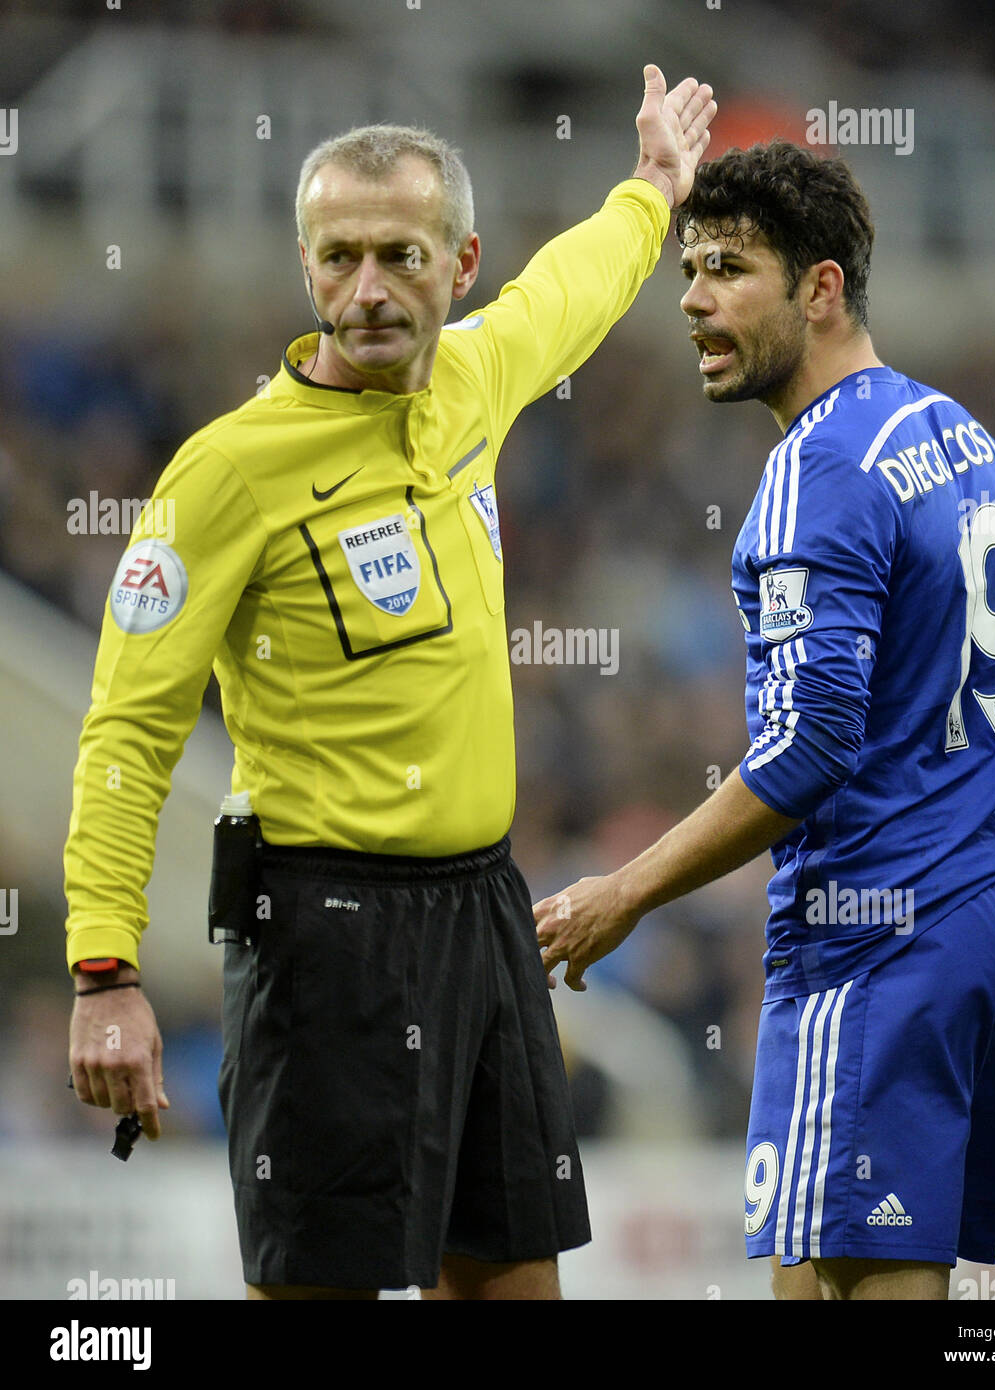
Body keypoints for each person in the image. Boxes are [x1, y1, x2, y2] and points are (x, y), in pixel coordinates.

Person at [64, 66, 716, 1301]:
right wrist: (105, 971)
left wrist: (649, 190)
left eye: (400, 256)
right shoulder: (224, 474)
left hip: (482, 914)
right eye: (338, 258)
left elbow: (570, 291)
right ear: (306, 268)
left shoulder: (473, 378)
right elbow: (127, 729)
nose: (367, 290)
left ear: (459, 260)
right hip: (323, 936)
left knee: (516, 1282)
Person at [535, 140, 995, 1302]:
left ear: (820, 288)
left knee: (858, 1276)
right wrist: (968, 840)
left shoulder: (817, 469)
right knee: (827, 1267)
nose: (692, 299)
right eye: (688, 270)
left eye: (728, 268)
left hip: (879, 935)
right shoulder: (965, 438)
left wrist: (620, 891)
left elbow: (809, 748)